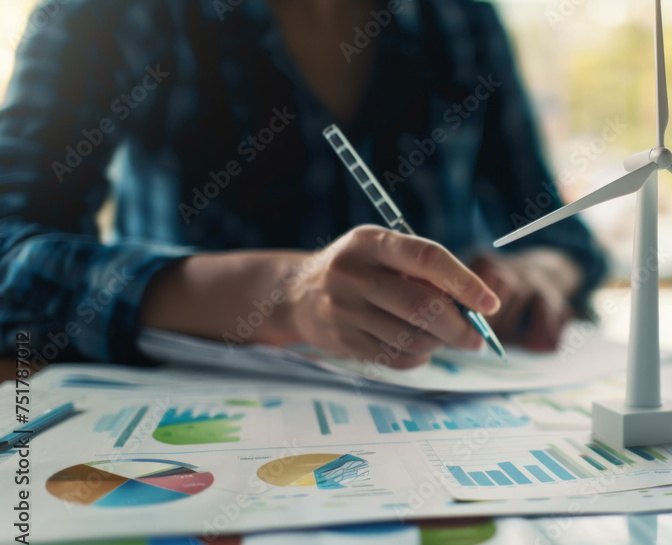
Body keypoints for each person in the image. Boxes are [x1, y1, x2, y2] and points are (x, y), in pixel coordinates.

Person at [0, 0, 607, 370]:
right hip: (195, 443)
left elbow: (560, 235)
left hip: (433, 429)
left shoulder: (463, 21)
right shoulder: (106, 15)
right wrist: (285, 296)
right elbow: (11, 252)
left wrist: (537, 275)